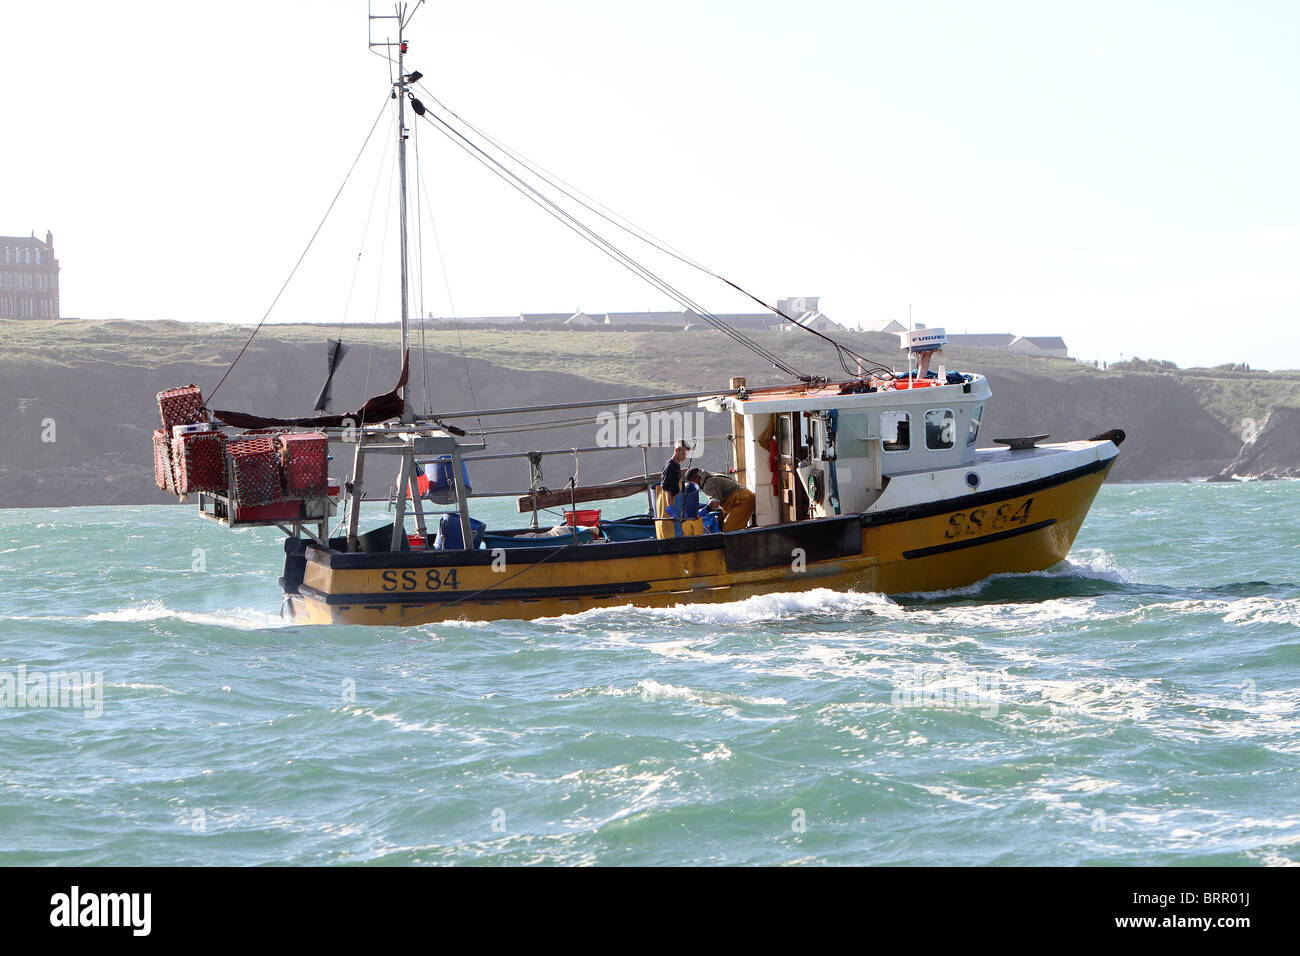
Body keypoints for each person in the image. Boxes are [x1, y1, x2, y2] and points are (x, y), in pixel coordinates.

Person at [685, 466, 755, 532]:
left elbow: (715, 503)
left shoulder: (708, 484)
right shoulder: (710, 476)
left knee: (729, 530)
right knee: (720, 524)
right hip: (738, 500)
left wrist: (700, 513)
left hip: (742, 500)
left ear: (695, 479)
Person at [655, 441, 702, 538]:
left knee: (677, 530)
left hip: (676, 503)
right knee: (669, 533)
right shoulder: (669, 467)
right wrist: (671, 511)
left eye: (686, 454)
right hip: (668, 505)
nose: (685, 457)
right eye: (683, 453)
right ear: (677, 450)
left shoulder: (677, 465)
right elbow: (667, 490)